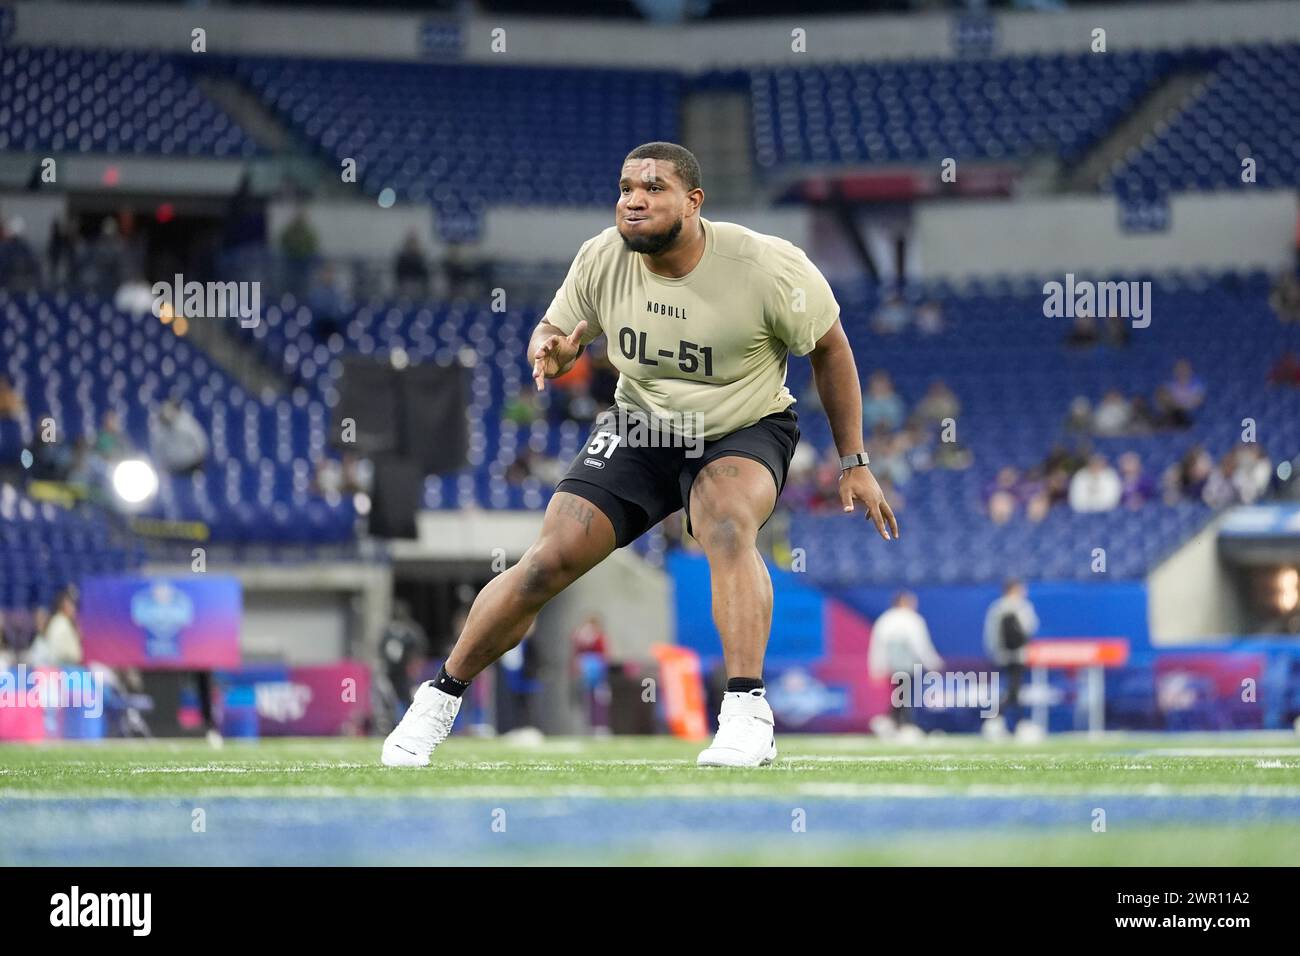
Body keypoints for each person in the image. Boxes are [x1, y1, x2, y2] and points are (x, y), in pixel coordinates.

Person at [383, 141, 898, 769]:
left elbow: (831, 350)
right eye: (627, 187)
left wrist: (855, 459)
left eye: (653, 188)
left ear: (693, 202)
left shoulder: (767, 266)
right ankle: (436, 702)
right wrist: (551, 348)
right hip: (643, 425)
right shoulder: (602, 257)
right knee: (547, 564)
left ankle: (745, 714)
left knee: (729, 525)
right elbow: (553, 329)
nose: (634, 199)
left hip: (743, 424)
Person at [867, 592, 942, 735]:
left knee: (901, 694)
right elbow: (920, 645)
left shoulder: (885, 619)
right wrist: (932, 662)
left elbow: (877, 646)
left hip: (894, 666)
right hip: (907, 665)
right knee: (904, 695)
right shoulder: (912, 620)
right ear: (903, 602)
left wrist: (876, 667)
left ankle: (890, 722)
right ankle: (903, 724)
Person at [982, 579, 1038, 737]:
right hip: (1019, 654)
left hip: (1002, 654)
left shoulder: (997, 607)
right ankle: (1002, 720)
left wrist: (994, 651)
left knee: (1013, 688)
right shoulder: (1022, 606)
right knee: (1014, 689)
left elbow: (990, 634)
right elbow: (1030, 627)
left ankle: (1010, 722)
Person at [149, 398, 209, 475]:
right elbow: (156, 448)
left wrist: (200, 459)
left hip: (191, 464)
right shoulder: (158, 429)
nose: (168, 414)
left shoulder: (186, 422)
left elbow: (200, 440)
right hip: (171, 468)